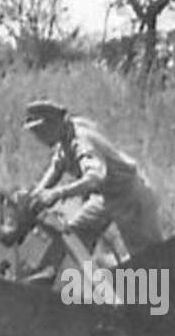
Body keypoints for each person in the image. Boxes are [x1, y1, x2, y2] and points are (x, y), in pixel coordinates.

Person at [23, 100, 163, 256]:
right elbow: (57, 166)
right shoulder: (66, 136)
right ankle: (82, 276)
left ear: (54, 125)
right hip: (104, 196)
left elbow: (95, 177)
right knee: (73, 238)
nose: (38, 137)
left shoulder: (82, 141)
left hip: (129, 195)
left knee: (148, 259)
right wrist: (37, 193)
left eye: (41, 130)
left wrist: (58, 193)